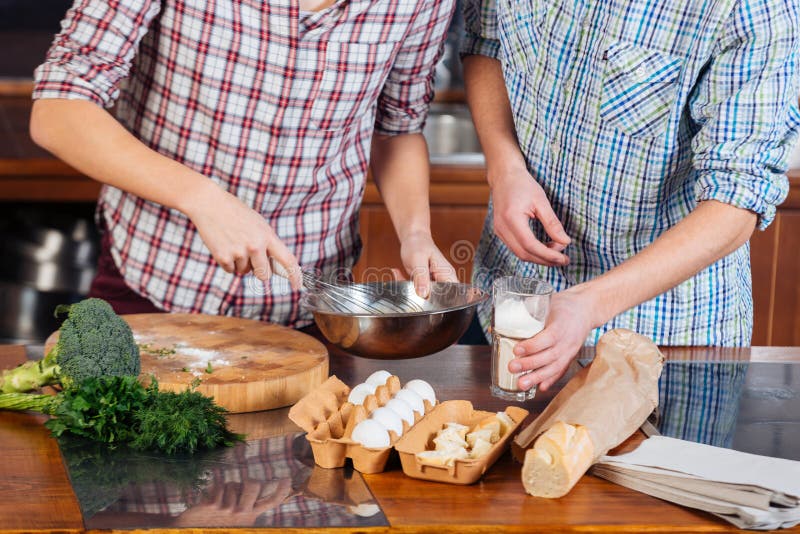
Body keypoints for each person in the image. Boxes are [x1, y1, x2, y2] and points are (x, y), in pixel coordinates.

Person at [29, 0, 458, 326]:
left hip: (308, 303)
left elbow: (398, 128)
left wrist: (416, 233)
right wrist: (203, 199)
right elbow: (59, 108)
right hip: (151, 278)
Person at [462, 0, 800, 391]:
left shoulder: (757, 9)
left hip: (664, 342)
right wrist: (505, 169)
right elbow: (485, 44)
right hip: (507, 309)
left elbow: (737, 200)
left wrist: (587, 304)